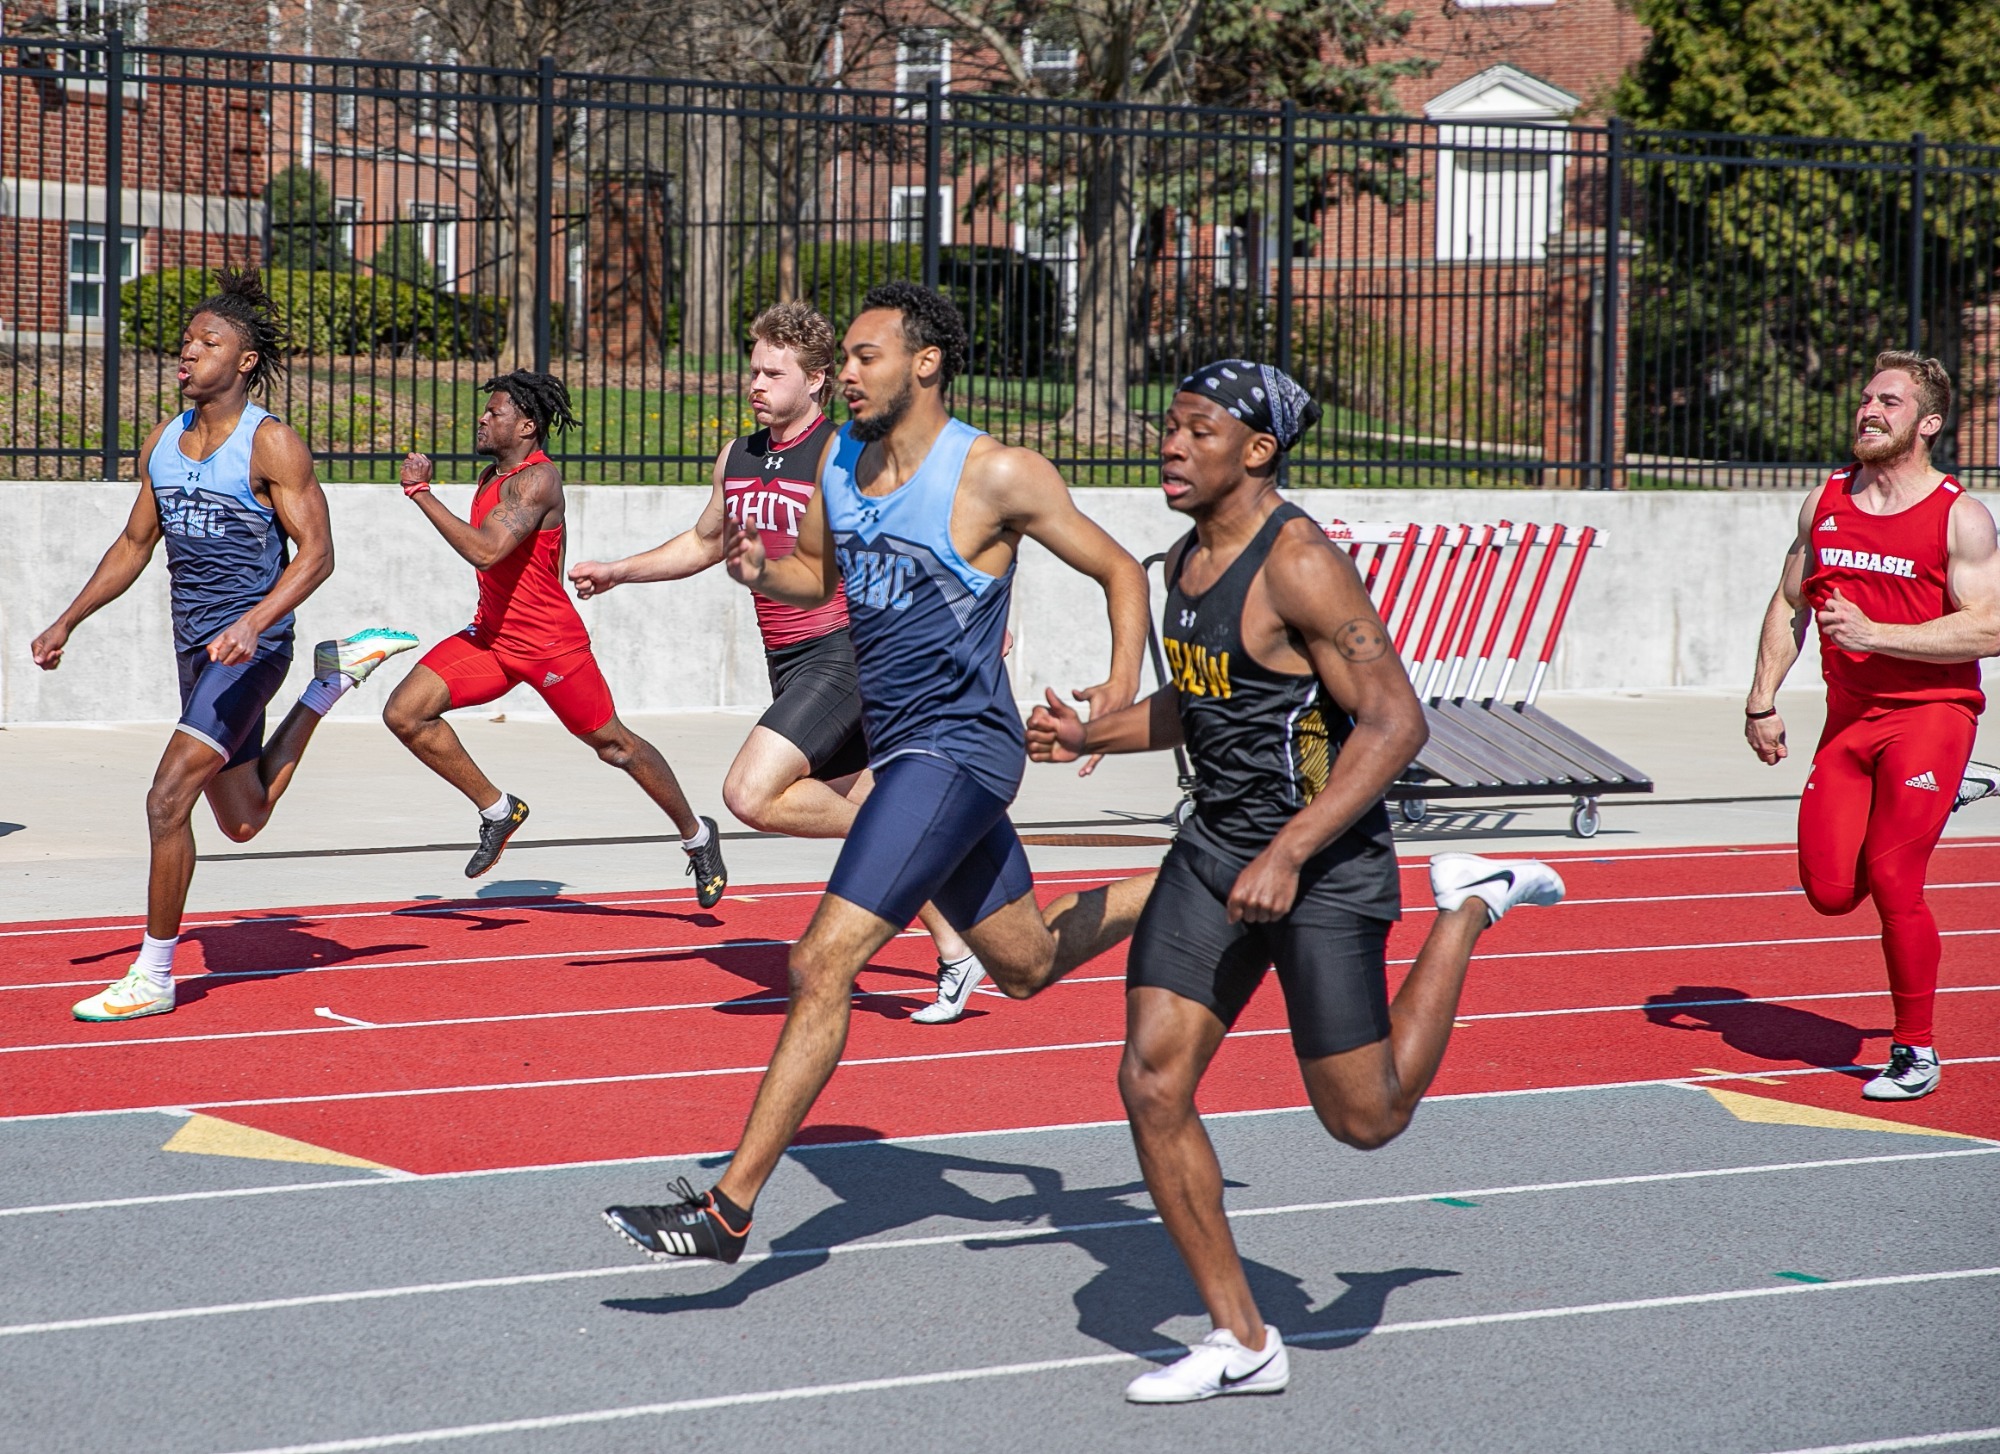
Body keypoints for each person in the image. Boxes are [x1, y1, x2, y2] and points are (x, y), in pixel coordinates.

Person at [1029, 360, 1564, 1404]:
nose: (1168, 446)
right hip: (1214, 846)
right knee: (1149, 1079)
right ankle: (1240, 1338)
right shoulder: (1184, 560)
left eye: (1194, 430)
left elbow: (1396, 720)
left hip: (1322, 859)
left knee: (1363, 1118)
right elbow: (1205, 704)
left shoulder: (1301, 562)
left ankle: (1469, 900)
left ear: (1257, 449)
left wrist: (1289, 851)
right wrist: (1090, 728)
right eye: (1166, 427)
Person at [600, 281, 1154, 1259]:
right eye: (842, 359)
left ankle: (726, 1210)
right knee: (1024, 964)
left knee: (819, 961)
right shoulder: (844, 468)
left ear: (924, 363)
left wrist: (1113, 693)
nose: (844, 373)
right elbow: (819, 575)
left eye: (862, 356)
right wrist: (758, 570)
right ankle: (1200, 875)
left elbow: (1119, 569)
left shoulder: (994, 472)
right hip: (903, 749)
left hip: (960, 747)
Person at [568, 302, 987, 1022]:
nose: (755, 383)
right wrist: (619, 570)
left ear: (818, 379)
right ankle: (958, 950)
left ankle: (910, 840)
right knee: (867, 808)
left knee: (749, 795)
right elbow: (705, 542)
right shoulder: (737, 456)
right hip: (789, 661)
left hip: (848, 653)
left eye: (773, 371)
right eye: (752, 368)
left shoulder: (846, 453)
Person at [31, 268, 417, 1022]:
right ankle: (328, 685)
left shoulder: (271, 443)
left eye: (208, 344)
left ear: (242, 362)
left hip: (252, 645)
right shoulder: (165, 443)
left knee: (166, 797)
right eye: (185, 344)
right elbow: (135, 542)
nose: (188, 355)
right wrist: (68, 619)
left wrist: (254, 622)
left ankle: (154, 975)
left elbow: (317, 554)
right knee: (241, 820)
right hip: (195, 649)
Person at [1746, 351, 2000, 1102]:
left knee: (1895, 879)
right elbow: (1791, 604)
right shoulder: (1824, 503)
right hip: (1849, 722)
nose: (1868, 411)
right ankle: (1936, 799)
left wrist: (1877, 635)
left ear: (1926, 423)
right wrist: (1761, 699)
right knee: (1829, 891)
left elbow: (1990, 629)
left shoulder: (1960, 516)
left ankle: (1914, 1051)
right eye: (1865, 398)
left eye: (1888, 401)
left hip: (1932, 716)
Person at [385, 372, 729, 903]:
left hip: (550, 646)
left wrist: (420, 493)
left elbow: (485, 550)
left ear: (526, 425)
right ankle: (499, 810)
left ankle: (698, 836)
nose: (483, 417)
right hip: (492, 640)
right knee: (405, 713)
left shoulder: (538, 480)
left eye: (494, 412)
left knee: (615, 746)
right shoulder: (490, 477)